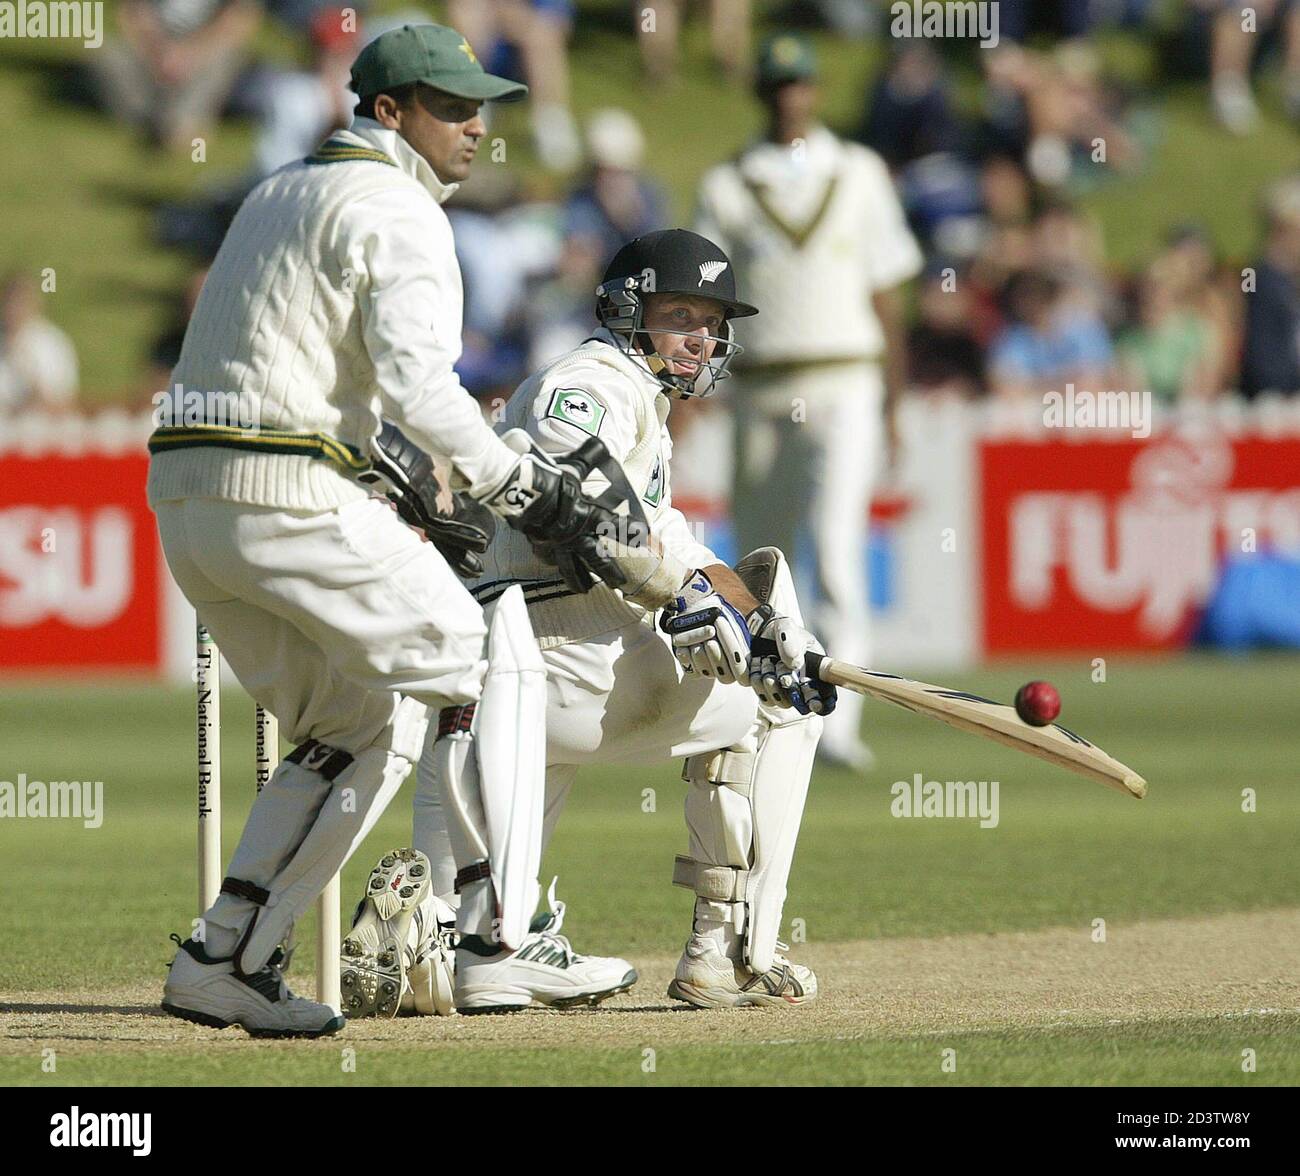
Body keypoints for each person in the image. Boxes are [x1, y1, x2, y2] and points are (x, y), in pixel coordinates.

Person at [148, 22, 622, 1037]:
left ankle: (222, 957)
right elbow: (416, 384)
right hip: (284, 491)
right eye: (447, 107)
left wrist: (395, 475)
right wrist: (514, 485)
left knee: (351, 725)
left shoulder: (276, 189)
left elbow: (300, 361)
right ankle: (495, 937)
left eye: (477, 106)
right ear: (386, 111)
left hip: (189, 501)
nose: (473, 127)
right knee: (474, 657)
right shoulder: (397, 206)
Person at [340, 229, 836, 1015]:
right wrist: (718, 618)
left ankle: (456, 936)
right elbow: (575, 497)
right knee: (778, 707)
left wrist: (751, 614)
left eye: (710, 321)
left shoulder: (639, 400)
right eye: (680, 315)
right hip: (561, 659)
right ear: (625, 310)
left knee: (465, 942)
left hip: (505, 686)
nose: (699, 337)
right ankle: (729, 953)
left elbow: (658, 531)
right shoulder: (593, 381)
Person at [693, 34, 923, 771]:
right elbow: (703, 300)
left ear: (815, 91)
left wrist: (895, 398)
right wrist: (688, 384)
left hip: (845, 378)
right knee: (762, 558)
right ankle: (771, 706)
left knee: (836, 547)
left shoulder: (857, 172)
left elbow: (887, 290)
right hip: (759, 384)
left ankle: (841, 720)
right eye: (777, 85)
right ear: (761, 92)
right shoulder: (728, 182)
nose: (789, 97)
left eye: (799, 84)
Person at [0, 271, 80, 415]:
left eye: (22, 303)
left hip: (38, 428)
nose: (15, 310)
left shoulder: (53, 344)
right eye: (11, 302)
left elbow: (65, 402)